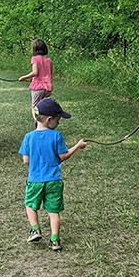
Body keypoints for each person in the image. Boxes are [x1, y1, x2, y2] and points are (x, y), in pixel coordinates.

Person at [18, 97, 87, 251]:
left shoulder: (28, 137)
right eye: (58, 119)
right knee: (53, 212)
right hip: (54, 181)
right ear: (49, 120)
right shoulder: (56, 136)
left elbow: (25, 160)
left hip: (35, 180)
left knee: (30, 205)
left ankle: (35, 229)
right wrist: (78, 146)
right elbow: (63, 156)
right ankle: (54, 240)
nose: (59, 122)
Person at [19, 39, 53, 119]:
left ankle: (38, 124)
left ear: (34, 49)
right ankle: (46, 123)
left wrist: (24, 77)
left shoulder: (34, 59)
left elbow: (35, 72)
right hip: (47, 88)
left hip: (38, 88)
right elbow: (50, 75)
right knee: (44, 107)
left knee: (35, 107)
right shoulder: (49, 60)